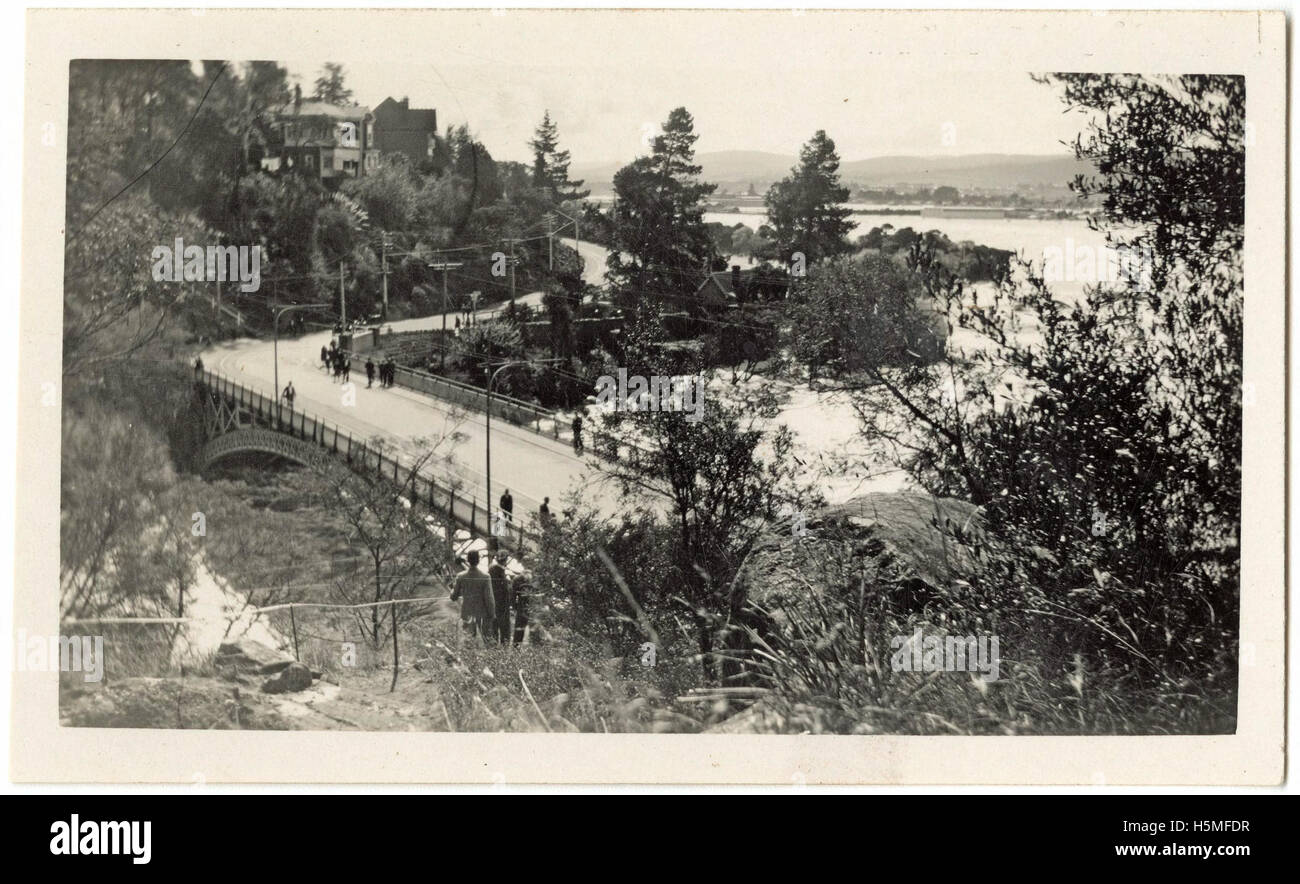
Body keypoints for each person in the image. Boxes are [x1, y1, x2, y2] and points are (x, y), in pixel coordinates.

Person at [450, 550, 495, 640]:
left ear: (468, 560)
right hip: (483, 613)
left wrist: (452, 590)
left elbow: (453, 597)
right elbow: (489, 598)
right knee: (487, 640)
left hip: (467, 612)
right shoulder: (485, 576)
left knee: (469, 641)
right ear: (478, 560)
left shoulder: (460, 576)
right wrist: (492, 613)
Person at [488, 551, 512, 644]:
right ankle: (504, 648)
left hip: (493, 603)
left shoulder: (491, 570)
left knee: (494, 627)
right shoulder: (500, 571)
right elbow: (505, 590)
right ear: (505, 560)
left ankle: (494, 648)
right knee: (505, 629)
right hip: (502, 604)